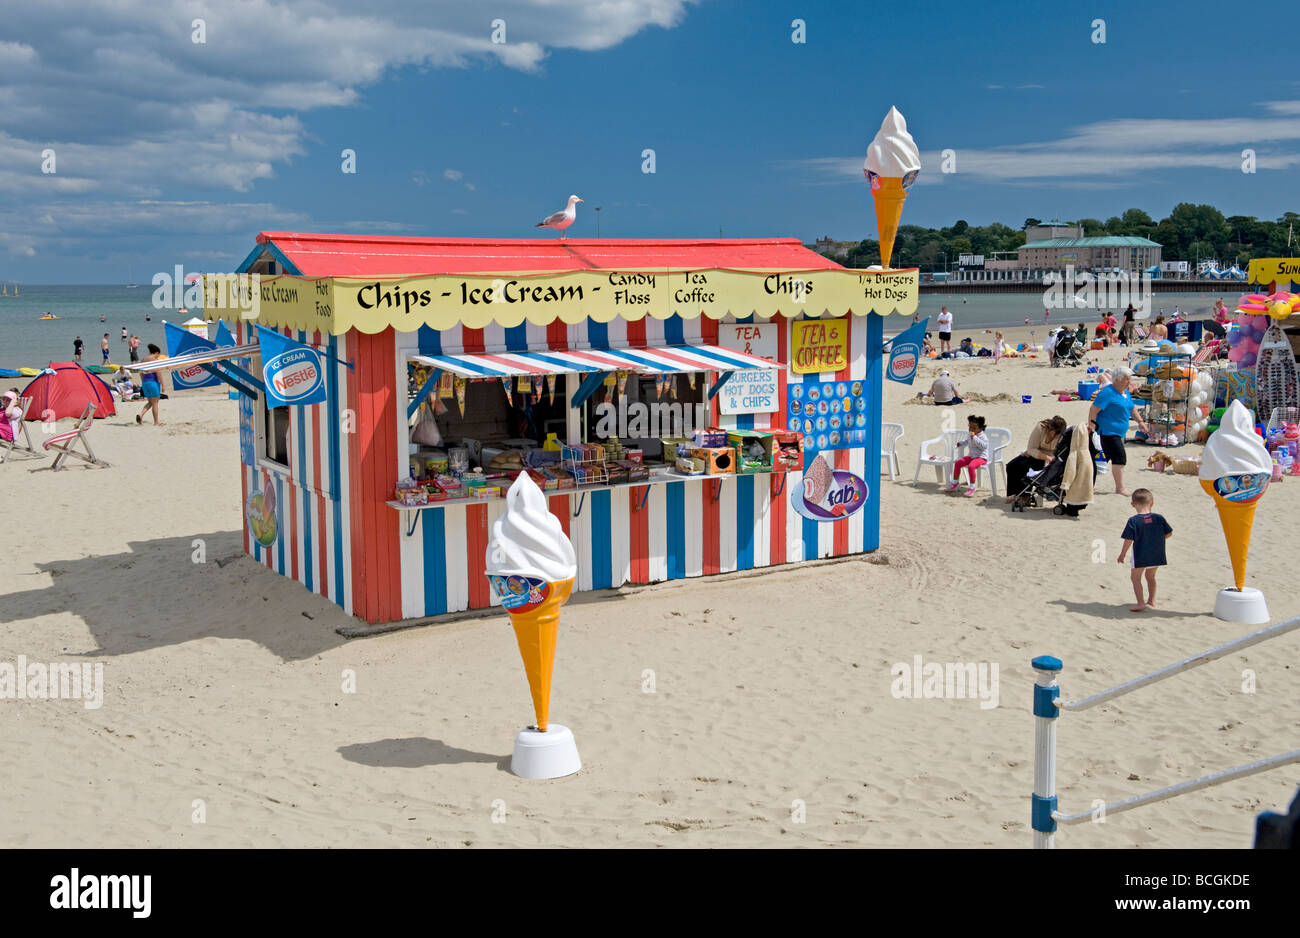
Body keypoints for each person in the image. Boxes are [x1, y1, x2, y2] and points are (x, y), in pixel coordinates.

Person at [1088, 367, 1150, 496]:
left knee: (1100, 459)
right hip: (1107, 432)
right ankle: (1120, 487)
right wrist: (1091, 426)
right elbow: (1094, 409)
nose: (1129, 381)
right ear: (1116, 379)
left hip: (1119, 432)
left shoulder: (1125, 392)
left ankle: (1088, 485)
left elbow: (1132, 409)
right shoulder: (1108, 393)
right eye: (1125, 378)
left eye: (1129, 378)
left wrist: (1141, 422)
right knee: (1119, 457)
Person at [1116, 488, 1173, 613]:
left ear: (1132, 504)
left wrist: (1122, 554)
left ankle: (1141, 603)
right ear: (1152, 503)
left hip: (1141, 555)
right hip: (1157, 554)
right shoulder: (1159, 518)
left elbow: (1128, 540)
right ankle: (1152, 600)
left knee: (1135, 578)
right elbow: (1169, 534)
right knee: (1151, 576)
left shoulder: (1133, 521)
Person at [1004, 415, 1067, 503]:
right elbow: (1031, 448)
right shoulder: (1041, 428)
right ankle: (1013, 494)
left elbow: (1061, 451)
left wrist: (1049, 457)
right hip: (1037, 453)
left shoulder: (1063, 435)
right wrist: (1044, 456)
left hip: (1051, 457)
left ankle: (1024, 496)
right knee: (1012, 465)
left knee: (1024, 467)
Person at [945, 414, 988, 497]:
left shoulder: (983, 436)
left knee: (971, 466)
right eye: (970, 427)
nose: (971, 429)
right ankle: (955, 482)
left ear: (980, 428)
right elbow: (967, 441)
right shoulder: (970, 434)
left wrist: (975, 438)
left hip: (981, 457)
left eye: (974, 428)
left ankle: (972, 487)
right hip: (971, 456)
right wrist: (961, 443)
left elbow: (984, 446)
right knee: (958, 463)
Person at [137, 344, 165, 426]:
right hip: (153, 382)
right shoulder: (154, 360)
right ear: (156, 352)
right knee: (155, 403)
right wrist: (163, 385)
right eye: (158, 355)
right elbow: (158, 373)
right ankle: (156, 422)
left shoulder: (143, 360)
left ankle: (140, 415)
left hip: (145, 383)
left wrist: (143, 382)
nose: (158, 357)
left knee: (150, 402)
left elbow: (140, 372)